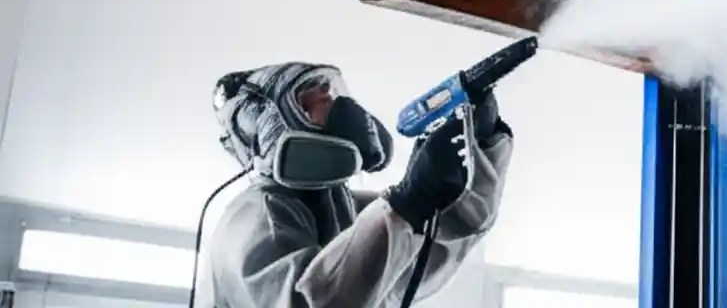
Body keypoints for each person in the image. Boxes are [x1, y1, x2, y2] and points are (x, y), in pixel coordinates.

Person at [196, 62, 513, 307]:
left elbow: (437, 242)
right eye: (313, 101)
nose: (339, 109)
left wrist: (482, 145)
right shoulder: (253, 218)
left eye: (331, 94)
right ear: (270, 129)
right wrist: (407, 204)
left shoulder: (341, 206)